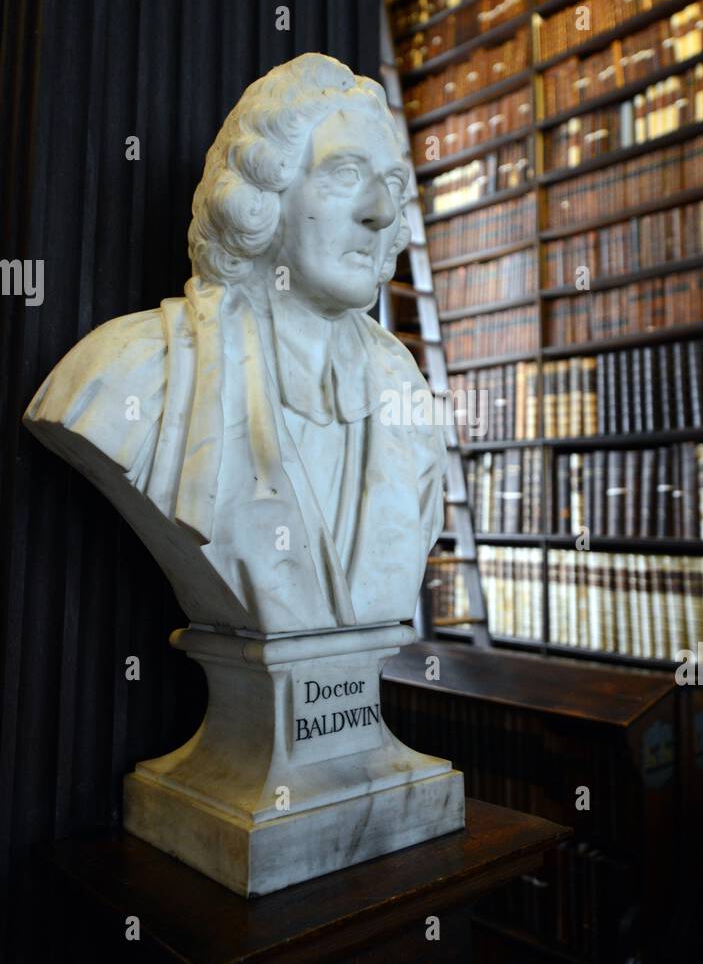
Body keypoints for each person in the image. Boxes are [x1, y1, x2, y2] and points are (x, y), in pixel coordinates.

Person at [24, 54, 446, 634]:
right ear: (262, 196)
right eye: (345, 175)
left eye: (393, 185)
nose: (380, 212)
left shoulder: (404, 391)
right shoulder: (131, 375)